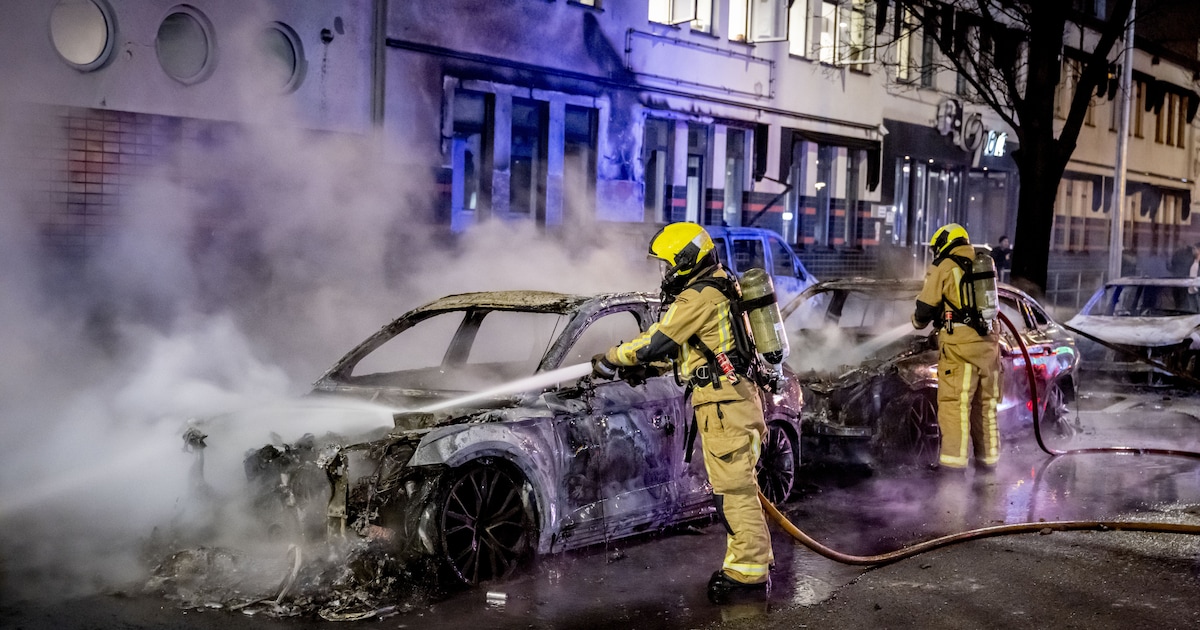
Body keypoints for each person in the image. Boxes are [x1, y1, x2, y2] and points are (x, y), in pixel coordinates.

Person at [592, 222, 772, 604]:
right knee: (736, 492)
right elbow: (696, 349)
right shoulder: (721, 284)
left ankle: (748, 576)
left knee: (735, 495)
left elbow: (657, 340)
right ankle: (746, 566)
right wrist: (648, 367)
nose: (665, 273)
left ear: (686, 261)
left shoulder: (699, 297)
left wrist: (612, 358)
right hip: (733, 404)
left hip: (726, 408)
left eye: (668, 264)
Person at [911, 223, 1001, 471]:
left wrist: (916, 321)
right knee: (986, 407)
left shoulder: (944, 266)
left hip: (959, 348)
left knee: (954, 406)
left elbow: (924, 309)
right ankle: (988, 464)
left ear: (943, 243)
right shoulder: (985, 263)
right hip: (989, 345)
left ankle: (953, 468)